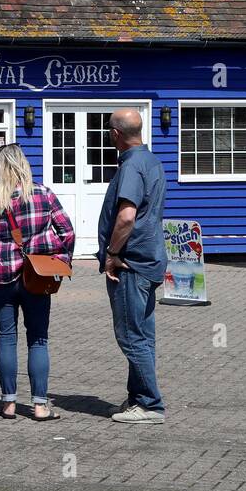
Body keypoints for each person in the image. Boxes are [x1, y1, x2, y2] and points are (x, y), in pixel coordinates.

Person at [0, 144, 74, 421]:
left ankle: (8, 404)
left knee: (6, 337)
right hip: (36, 275)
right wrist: (58, 259)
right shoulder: (43, 194)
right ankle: (40, 405)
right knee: (38, 339)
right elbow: (67, 232)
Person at [98, 108, 167, 425]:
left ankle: (151, 405)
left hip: (130, 264)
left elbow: (126, 216)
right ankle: (138, 397)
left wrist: (112, 253)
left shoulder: (132, 166)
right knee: (143, 335)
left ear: (115, 134)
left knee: (131, 336)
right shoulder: (150, 161)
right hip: (149, 260)